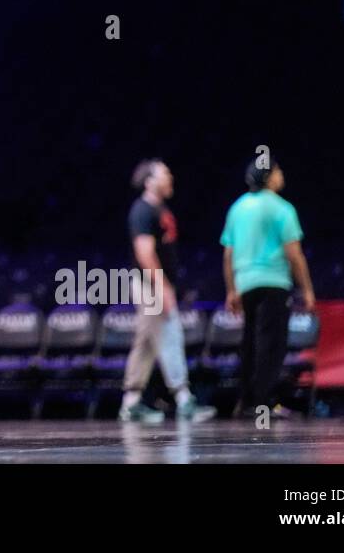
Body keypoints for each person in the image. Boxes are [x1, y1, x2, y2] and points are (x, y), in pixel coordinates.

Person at [118, 160, 215, 423]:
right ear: (150, 181)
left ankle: (131, 404)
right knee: (171, 334)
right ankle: (184, 400)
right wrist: (163, 287)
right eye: (164, 173)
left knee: (147, 343)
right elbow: (144, 252)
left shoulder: (158, 209)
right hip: (150, 284)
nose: (170, 176)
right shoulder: (142, 210)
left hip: (154, 283)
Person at [221, 154, 316, 418]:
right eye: (278, 170)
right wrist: (307, 289)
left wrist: (231, 289)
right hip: (274, 284)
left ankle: (246, 401)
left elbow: (228, 254)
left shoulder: (237, 208)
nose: (281, 174)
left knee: (250, 342)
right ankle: (262, 403)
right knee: (271, 345)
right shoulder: (283, 209)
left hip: (245, 284)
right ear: (269, 177)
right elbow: (294, 254)